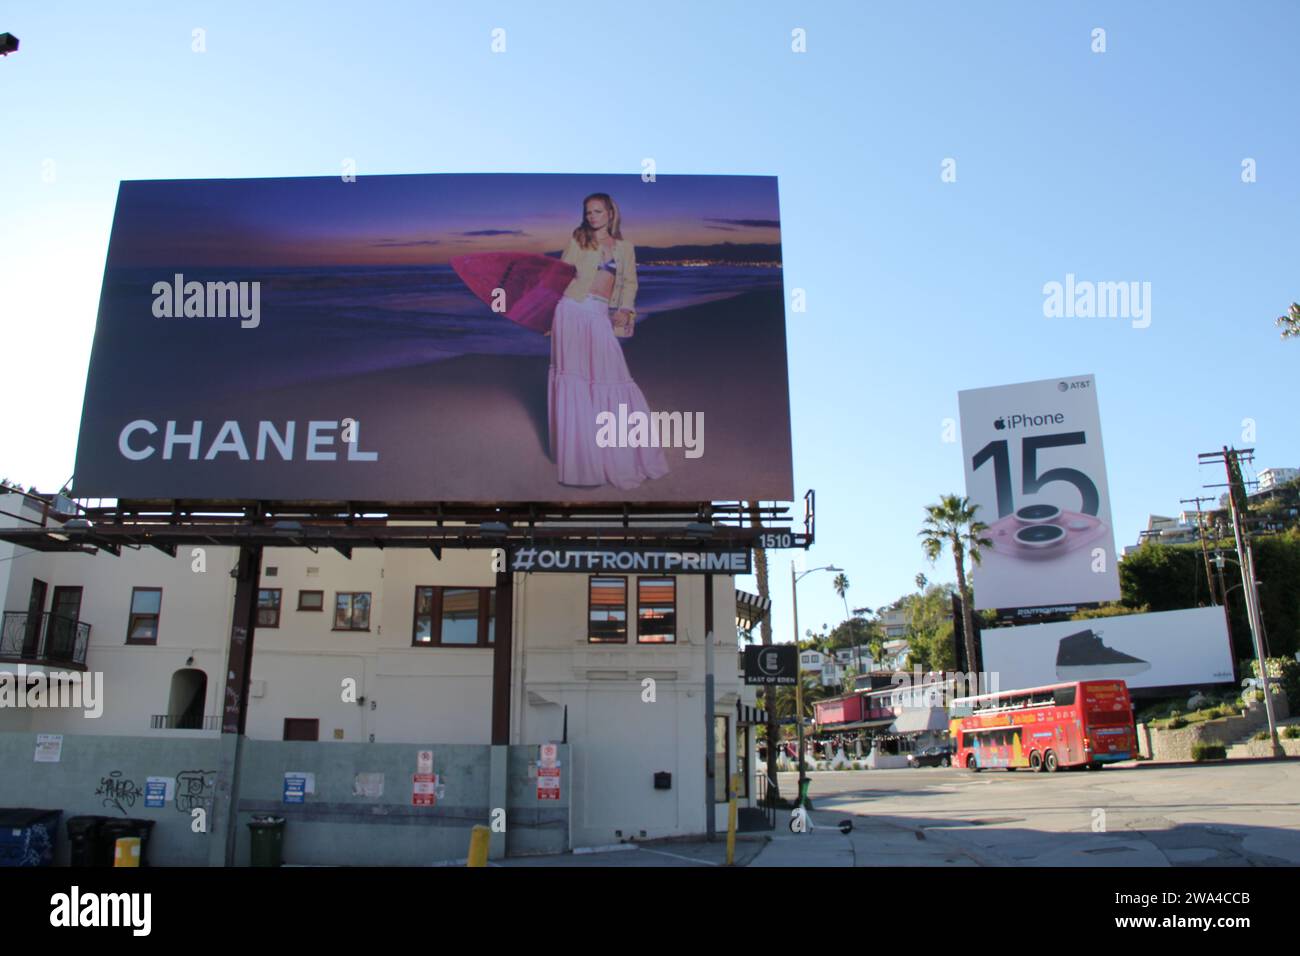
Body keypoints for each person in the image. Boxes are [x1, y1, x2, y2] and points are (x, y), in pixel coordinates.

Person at [548, 193, 669, 489]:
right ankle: (581, 460)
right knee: (575, 380)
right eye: (588, 212)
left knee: (610, 377)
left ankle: (618, 456)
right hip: (570, 310)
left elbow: (629, 283)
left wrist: (625, 310)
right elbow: (559, 276)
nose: (592, 217)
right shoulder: (579, 240)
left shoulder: (625, 248)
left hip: (599, 312)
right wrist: (543, 316)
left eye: (598, 211)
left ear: (611, 213)